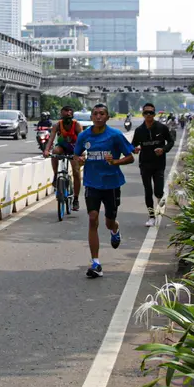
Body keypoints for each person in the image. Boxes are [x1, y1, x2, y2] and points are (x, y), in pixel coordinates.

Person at [74, 104, 135, 279]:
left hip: (112, 184)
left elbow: (130, 157)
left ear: (107, 117)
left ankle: (115, 230)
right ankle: (96, 263)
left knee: (109, 222)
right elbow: (77, 156)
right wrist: (80, 160)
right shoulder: (84, 136)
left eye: (102, 114)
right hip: (92, 183)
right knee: (93, 219)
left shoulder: (115, 135)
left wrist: (115, 162)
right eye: (95, 114)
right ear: (91, 117)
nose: (98, 117)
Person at [131, 102, 175, 227]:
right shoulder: (139, 130)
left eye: (151, 112)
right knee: (148, 190)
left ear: (154, 114)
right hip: (144, 164)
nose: (148, 115)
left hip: (159, 164)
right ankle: (151, 216)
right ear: (143, 114)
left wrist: (163, 149)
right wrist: (135, 149)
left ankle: (160, 196)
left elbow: (171, 141)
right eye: (146, 113)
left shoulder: (162, 128)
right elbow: (133, 144)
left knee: (158, 192)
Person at [42, 105, 82, 212]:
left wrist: (80, 154)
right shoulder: (57, 125)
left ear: (72, 114)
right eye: (65, 111)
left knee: (76, 172)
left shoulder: (77, 125)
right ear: (61, 113)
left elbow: (82, 140)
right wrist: (46, 150)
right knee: (55, 152)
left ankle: (76, 199)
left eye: (70, 111)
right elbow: (51, 139)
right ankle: (55, 174)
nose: (68, 113)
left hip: (75, 149)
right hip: (62, 147)